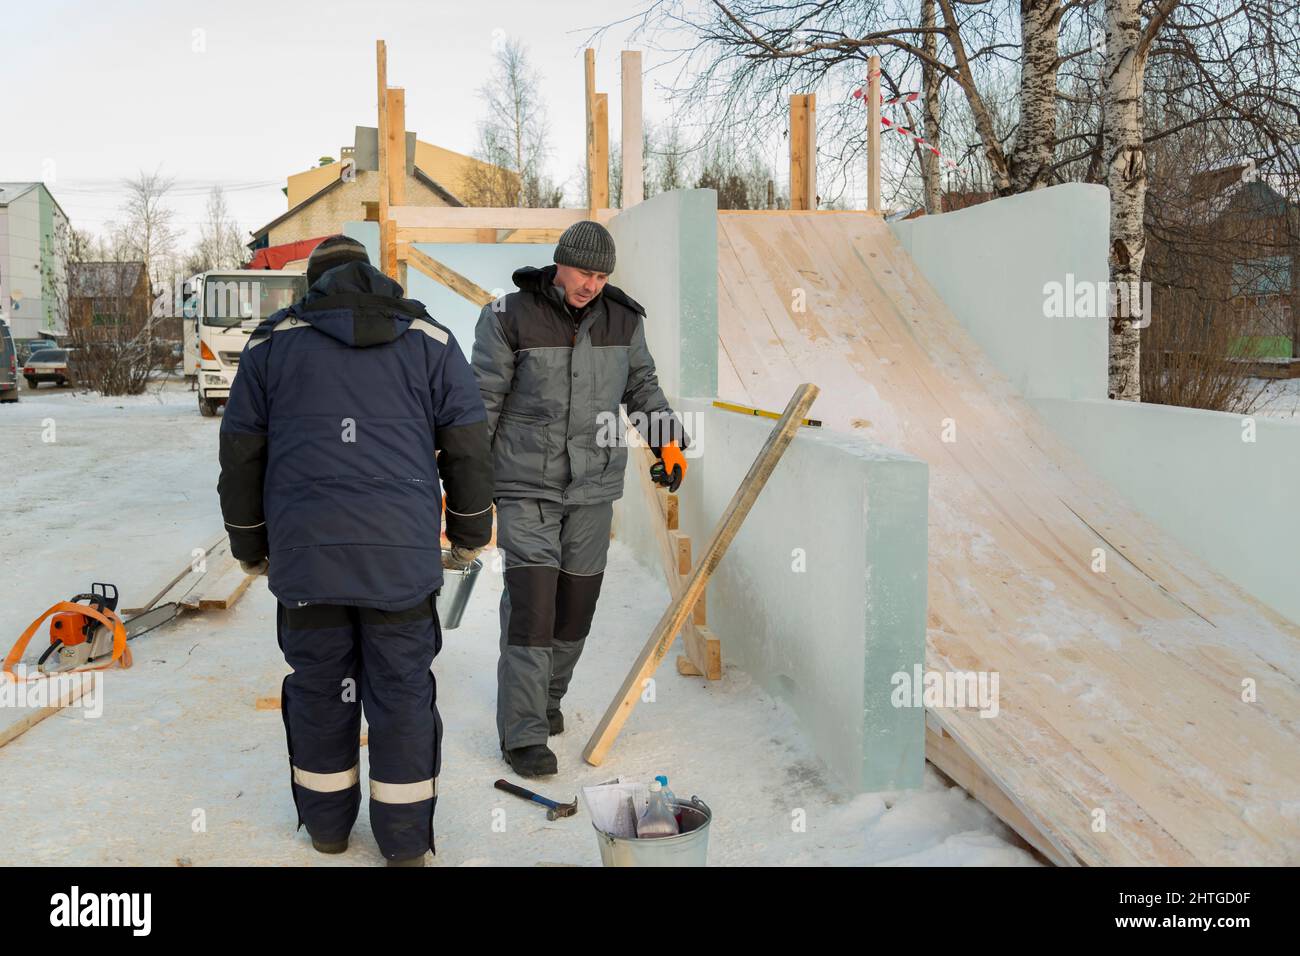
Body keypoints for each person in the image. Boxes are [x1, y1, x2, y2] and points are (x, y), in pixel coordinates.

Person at [218, 235, 492, 865]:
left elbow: (241, 455)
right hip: (399, 561)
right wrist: (472, 529)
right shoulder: (430, 340)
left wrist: (250, 545)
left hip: (306, 560)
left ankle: (328, 831)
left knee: (320, 689)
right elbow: (469, 446)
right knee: (400, 694)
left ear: (311, 284)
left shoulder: (270, 344)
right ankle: (401, 845)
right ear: (372, 276)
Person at [471, 220, 690, 777]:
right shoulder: (508, 316)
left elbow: (641, 386)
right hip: (525, 486)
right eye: (583, 272)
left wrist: (667, 441)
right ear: (559, 263)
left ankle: (546, 701)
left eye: (600, 275)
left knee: (575, 608)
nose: (590, 284)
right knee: (532, 605)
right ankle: (522, 733)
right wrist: (465, 479)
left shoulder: (623, 318)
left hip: (593, 487)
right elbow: (482, 402)